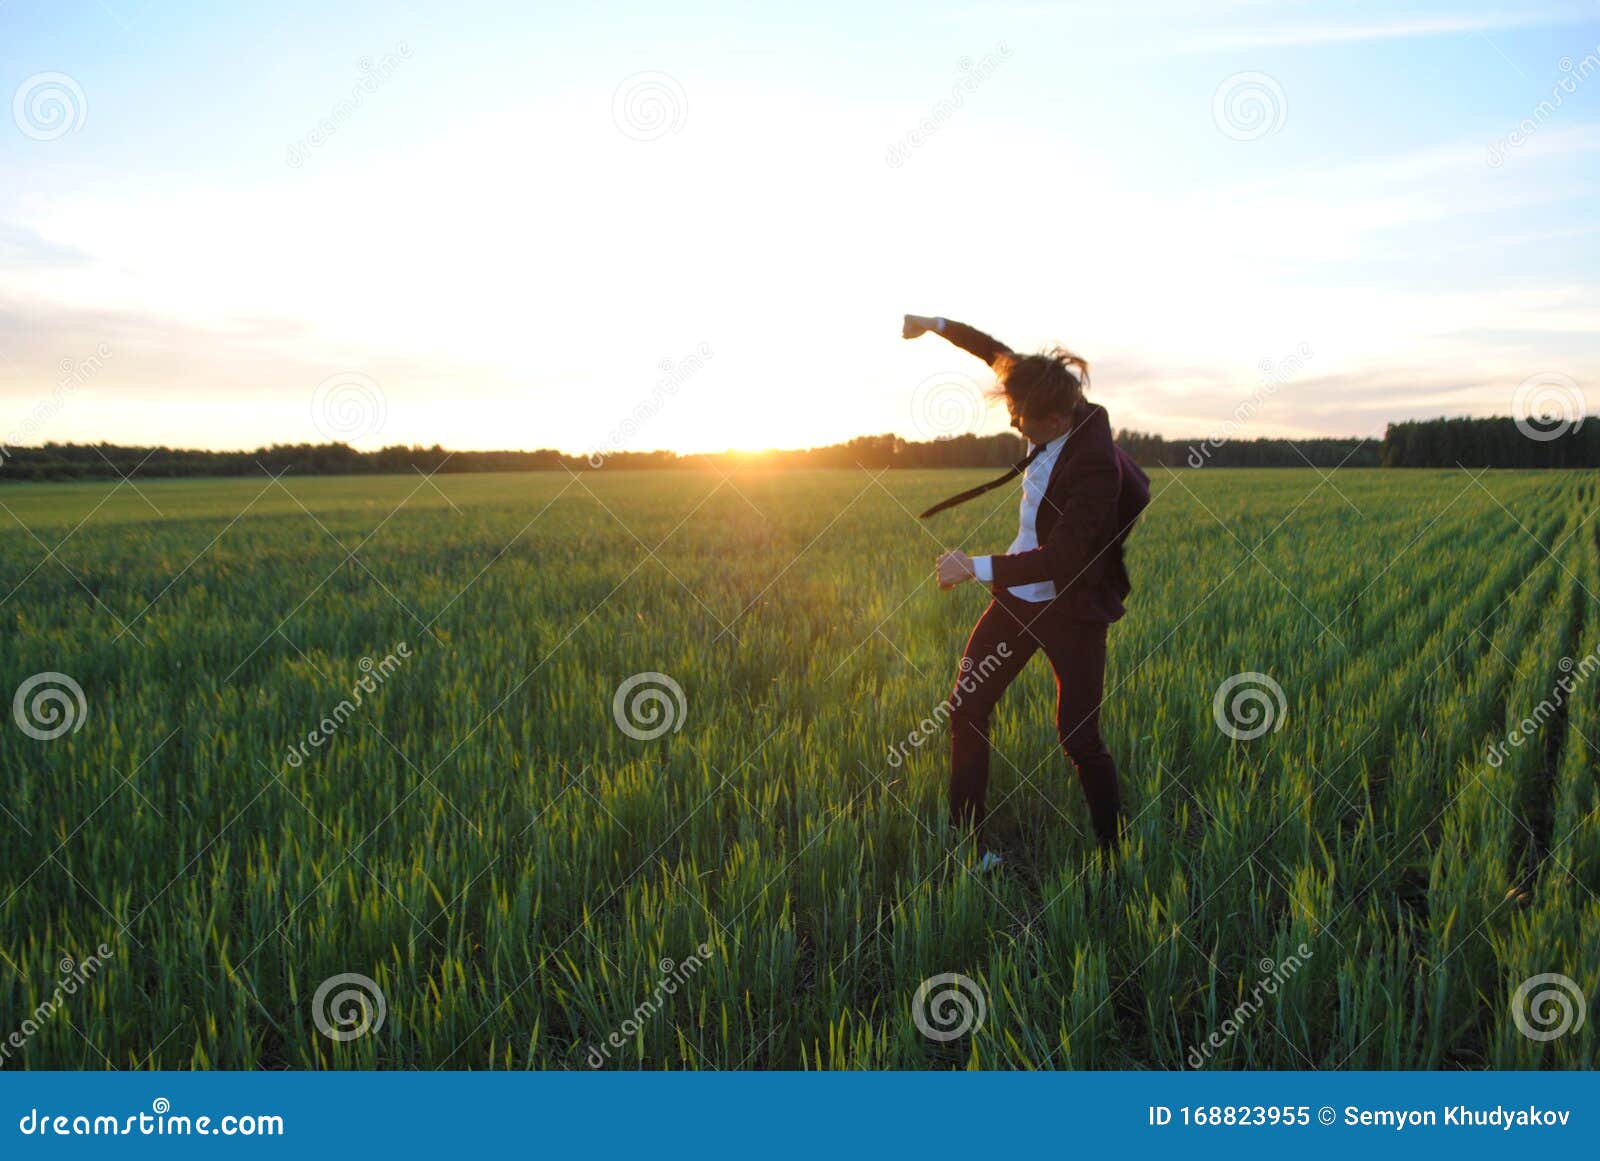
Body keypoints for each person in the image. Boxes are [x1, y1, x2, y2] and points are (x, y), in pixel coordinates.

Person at [903, 313, 1132, 872]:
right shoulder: (1036, 387)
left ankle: (1113, 853)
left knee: (1078, 738)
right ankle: (968, 847)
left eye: (1026, 423)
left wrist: (972, 566)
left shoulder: (1097, 466)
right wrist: (933, 324)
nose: (1017, 425)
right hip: (1017, 603)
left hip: (1070, 608)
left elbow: (1061, 559)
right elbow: (990, 350)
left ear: (1060, 417)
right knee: (966, 708)